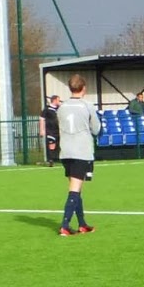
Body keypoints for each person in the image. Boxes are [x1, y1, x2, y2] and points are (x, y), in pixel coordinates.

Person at [55, 74, 101, 237]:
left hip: (66, 152)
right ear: (84, 88)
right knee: (75, 189)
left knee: (77, 187)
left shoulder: (62, 107)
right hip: (81, 151)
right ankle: (65, 225)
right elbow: (96, 129)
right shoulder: (88, 105)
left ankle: (82, 224)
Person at [40, 94, 61, 167]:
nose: (59, 101)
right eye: (58, 100)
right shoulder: (47, 109)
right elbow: (42, 119)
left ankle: (59, 158)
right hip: (50, 130)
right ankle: (51, 160)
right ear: (54, 100)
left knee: (59, 144)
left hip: (59, 130)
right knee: (52, 144)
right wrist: (42, 130)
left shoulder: (59, 108)